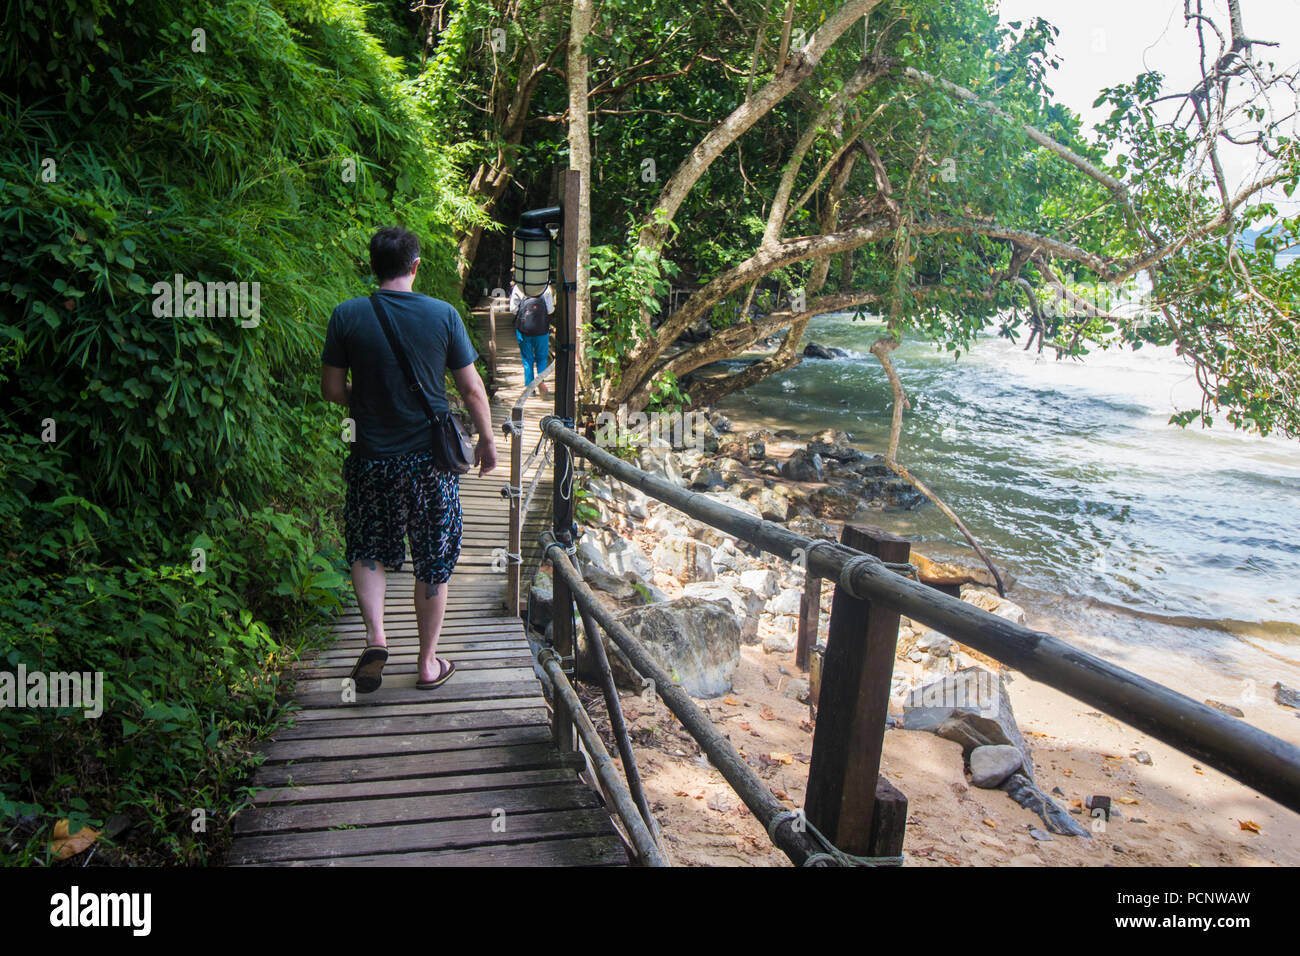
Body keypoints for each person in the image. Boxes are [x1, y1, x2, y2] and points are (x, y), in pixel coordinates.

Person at [320, 225, 497, 694]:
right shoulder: (443, 315)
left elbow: (333, 390)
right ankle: (426, 662)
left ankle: (377, 637)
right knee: (433, 556)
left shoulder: (346, 315)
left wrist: (372, 400)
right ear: (416, 266)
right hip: (431, 463)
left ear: (372, 266)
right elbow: (471, 388)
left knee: (368, 545)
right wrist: (487, 440)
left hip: (370, 458)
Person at [508, 279, 553, 392]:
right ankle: (540, 379)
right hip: (542, 330)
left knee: (527, 359)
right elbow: (550, 310)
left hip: (524, 330)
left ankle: (530, 389)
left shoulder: (518, 287)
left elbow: (513, 309)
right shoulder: (546, 287)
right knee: (542, 357)